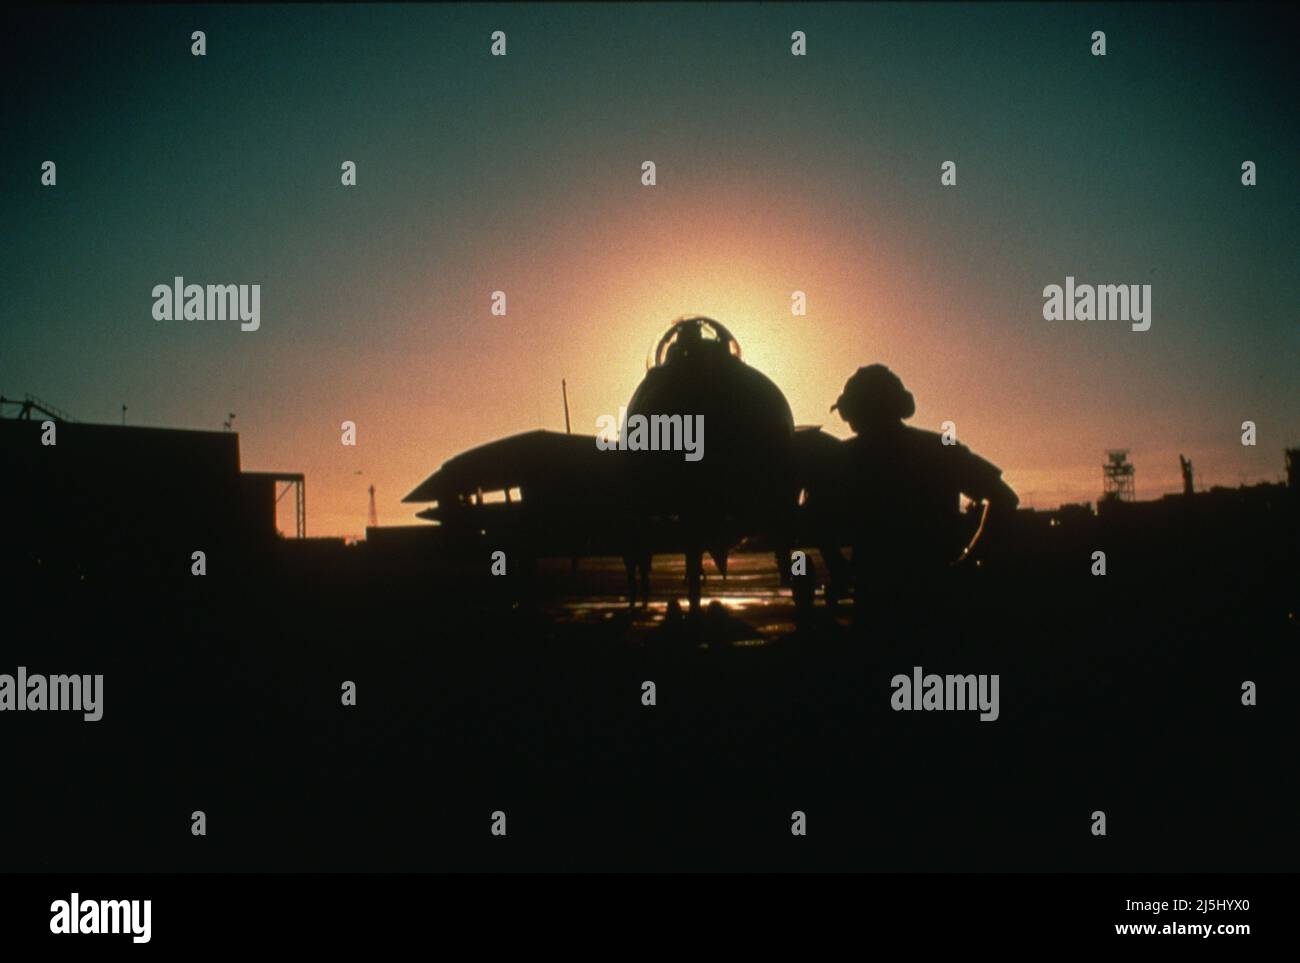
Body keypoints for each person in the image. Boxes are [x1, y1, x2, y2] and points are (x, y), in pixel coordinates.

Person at [821, 365, 1019, 616]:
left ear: (855, 411)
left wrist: (838, 566)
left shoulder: (843, 459)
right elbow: (1005, 498)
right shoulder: (941, 450)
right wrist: (970, 560)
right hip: (938, 593)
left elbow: (818, 517)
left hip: (876, 598)